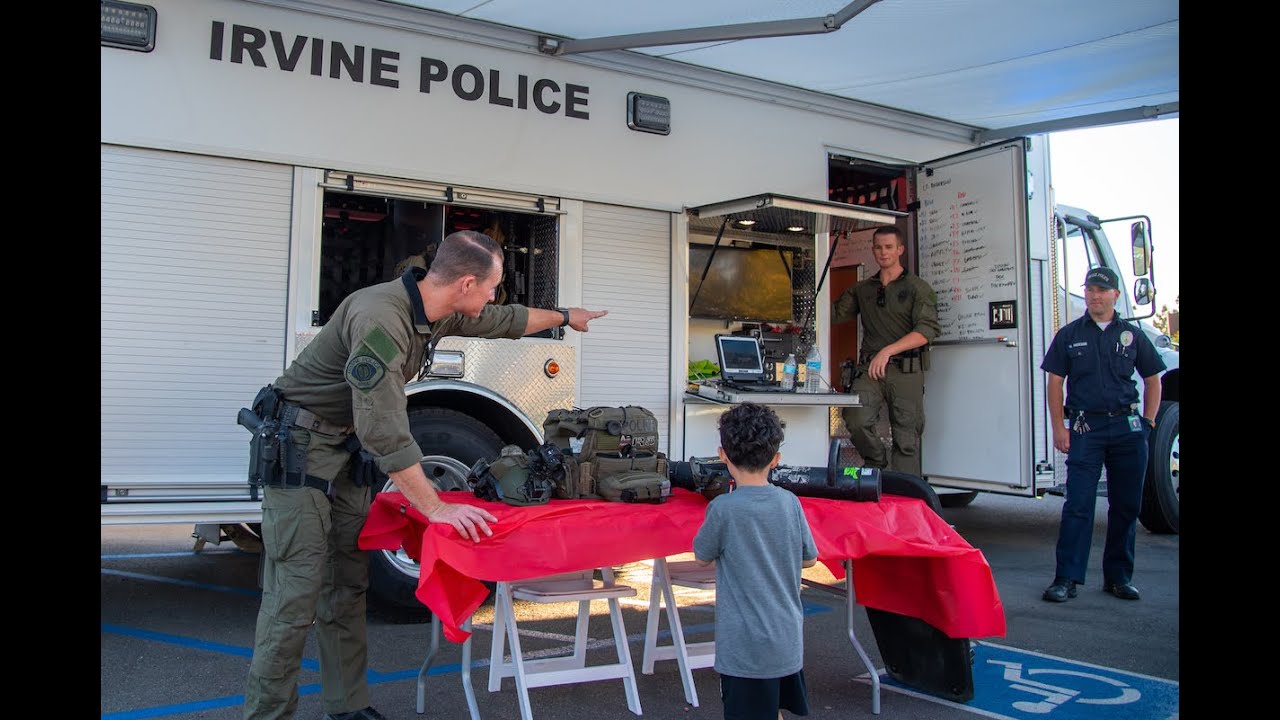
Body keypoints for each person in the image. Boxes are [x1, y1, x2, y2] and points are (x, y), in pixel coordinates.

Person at [242, 230, 609, 720]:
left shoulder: (435, 305)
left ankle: (347, 707)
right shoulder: (382, 319)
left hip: (343, 451)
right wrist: (434, 506)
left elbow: (504, 320)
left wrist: (566, 317)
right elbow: (384, 429)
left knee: (347, 586)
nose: (493, 297)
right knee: (295, 595)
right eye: (491, 286)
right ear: (464, 283)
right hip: (300, 450)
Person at [1040, 266, 1165, 603]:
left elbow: (1153, 379)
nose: (1095, 296)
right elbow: (1055, 382)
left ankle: (1119, 577)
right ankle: (1066, 578)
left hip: (1127, 428)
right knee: (1078, 504)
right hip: (1085, 428)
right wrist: (1058, 427)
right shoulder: (1069, 335)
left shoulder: (1133, 335)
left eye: (1101, 290)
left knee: (1125, 506)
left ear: (1115, 295)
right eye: (1090, 290)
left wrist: (1149, 423)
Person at [693, 403, 818, 720]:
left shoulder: (723, 509)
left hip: (744, 647)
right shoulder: (790, 503)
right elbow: (809, 559)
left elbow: (702, 554)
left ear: (723, 455)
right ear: (776, 459)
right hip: (786, 640)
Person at [832, 226, 940, 477]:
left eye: (889, 247)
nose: (883, 252)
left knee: (906, 437)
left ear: (900, 249)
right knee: (856, 420)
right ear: (872, 249)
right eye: (878, 247)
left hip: (906, 371)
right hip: (870, 369)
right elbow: (834, 314)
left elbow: (926, 331)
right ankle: (878, 465)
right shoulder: (862, 289)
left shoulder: (918, 288)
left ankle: (904, 495)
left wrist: (888, 351)